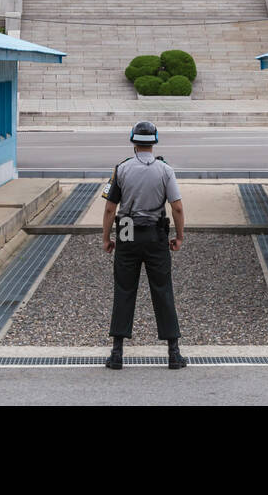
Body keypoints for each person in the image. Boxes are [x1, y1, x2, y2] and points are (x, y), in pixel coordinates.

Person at [101, 120, 186, 370]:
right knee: (162, 289)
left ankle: (117, 353)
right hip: (156, 235)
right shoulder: (165, 170)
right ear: (155, 142)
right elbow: (177, 207)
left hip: (126, 231)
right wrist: (179, 237)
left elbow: (109, 207)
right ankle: (173, 353)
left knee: (124, 290)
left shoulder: (121, 169)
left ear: (133, 141)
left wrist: (106, 238)